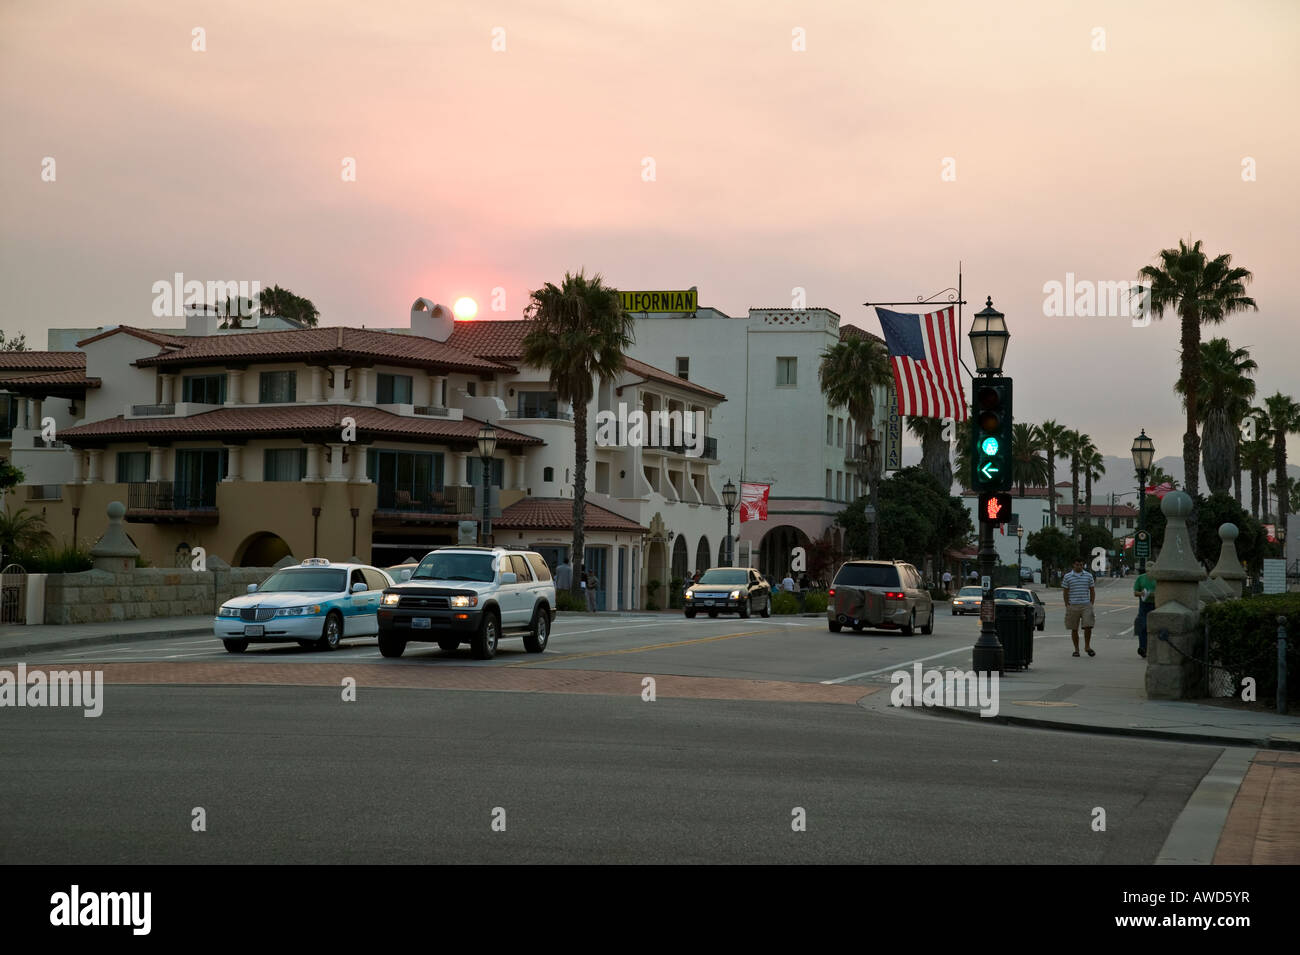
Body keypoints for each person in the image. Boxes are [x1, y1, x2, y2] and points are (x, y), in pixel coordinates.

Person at [1062, 557, 1097, 657]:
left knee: (1088, 626)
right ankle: (1076, 649)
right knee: (1074, 628)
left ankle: (1087, 646)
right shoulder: (1067, 577)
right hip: (1073, 605)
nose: (1079, 566)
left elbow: (1092, 590)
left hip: (1086, 605)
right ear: (1073, 565)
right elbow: (1065, 591)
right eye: (1077, 564)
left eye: (1081, 565)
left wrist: (1091, 603)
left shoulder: (1088, 576)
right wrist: (1067, 604)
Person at [1132, 561, 1156, 658]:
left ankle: (1152, 648)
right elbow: (1135, 592)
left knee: (1154, 627)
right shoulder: (1140, 578)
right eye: (1148, 570)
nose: (1149, 572)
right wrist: (1141, 593)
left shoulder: (1157, 579)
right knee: (1143, 626)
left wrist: (1152, 594)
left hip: (1155, 604)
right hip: (1144, 604)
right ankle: (1143, 648)